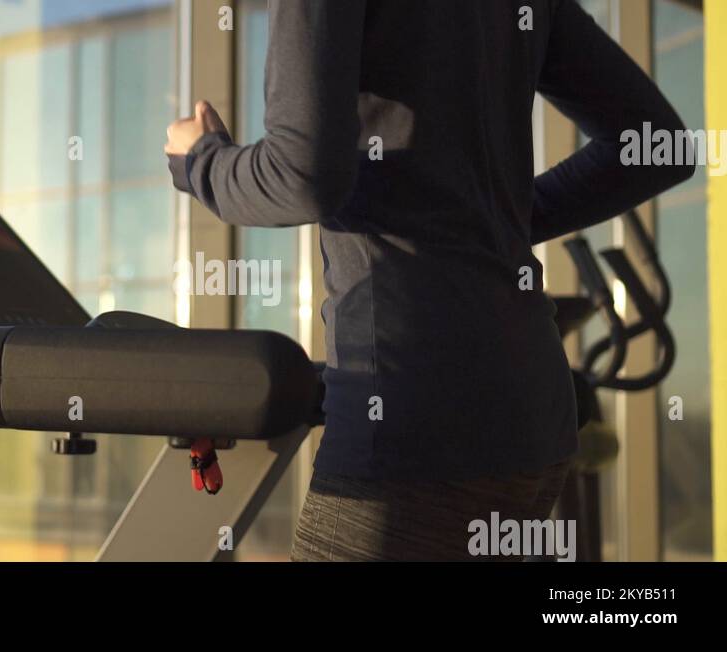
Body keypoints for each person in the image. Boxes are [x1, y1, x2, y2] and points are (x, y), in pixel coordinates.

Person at [164, 0, 694, 560]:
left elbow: (302, 176)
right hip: (532, 420)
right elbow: (656, 145)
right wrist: (486, 225)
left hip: (416, 424)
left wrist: (199, 161)